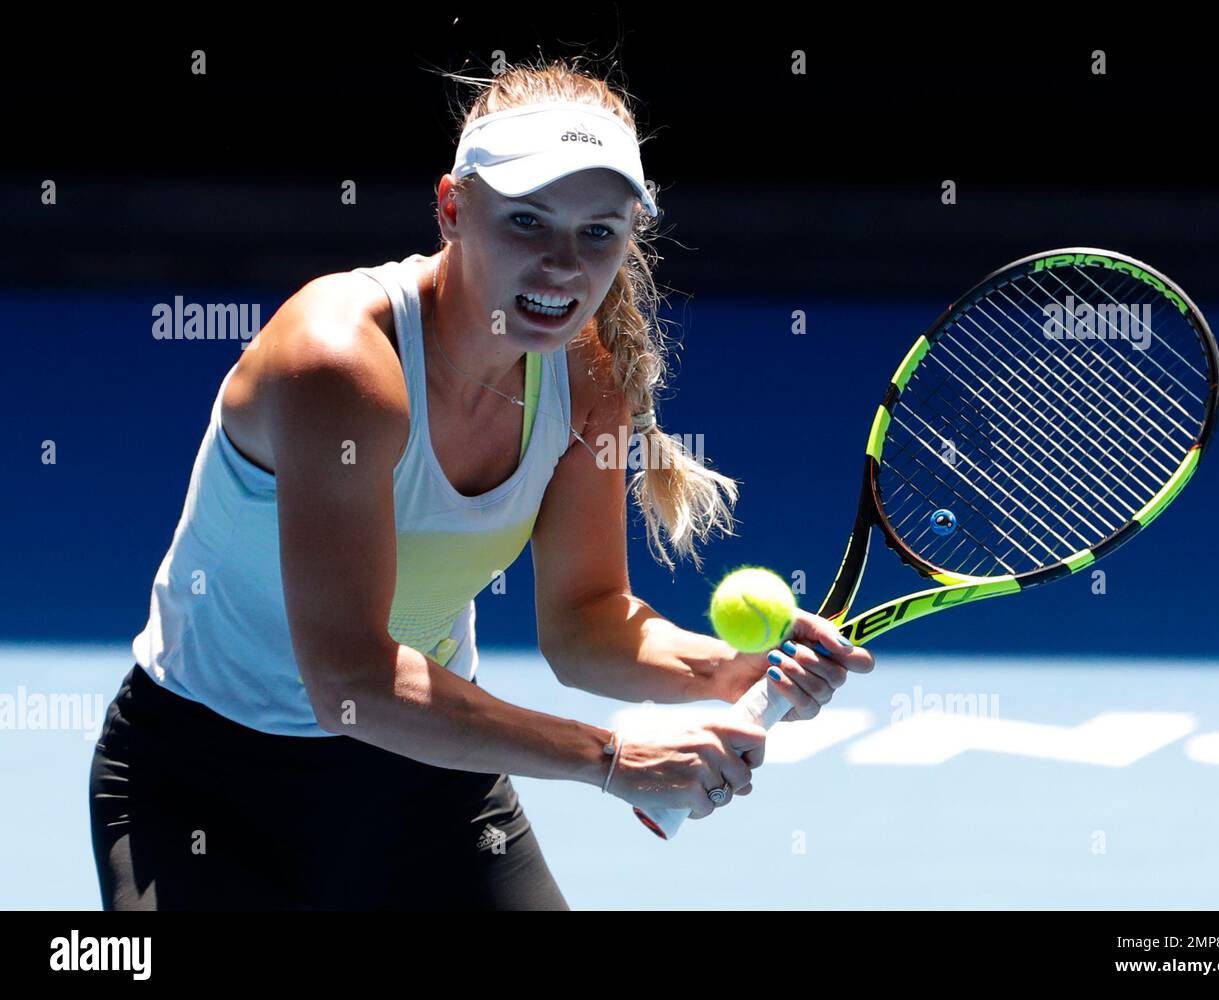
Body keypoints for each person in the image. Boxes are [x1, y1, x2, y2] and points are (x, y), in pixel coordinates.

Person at [89, 58, 874, 911]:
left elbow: (585, 622)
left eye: (597, 233)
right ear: (453, 208)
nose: (563, 268)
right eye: (528, 221)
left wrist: (725, 667)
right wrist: (611, 759)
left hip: (428, 777)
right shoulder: (341, 365)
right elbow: (352, 685)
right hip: (207, 788)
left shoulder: (588, 379)